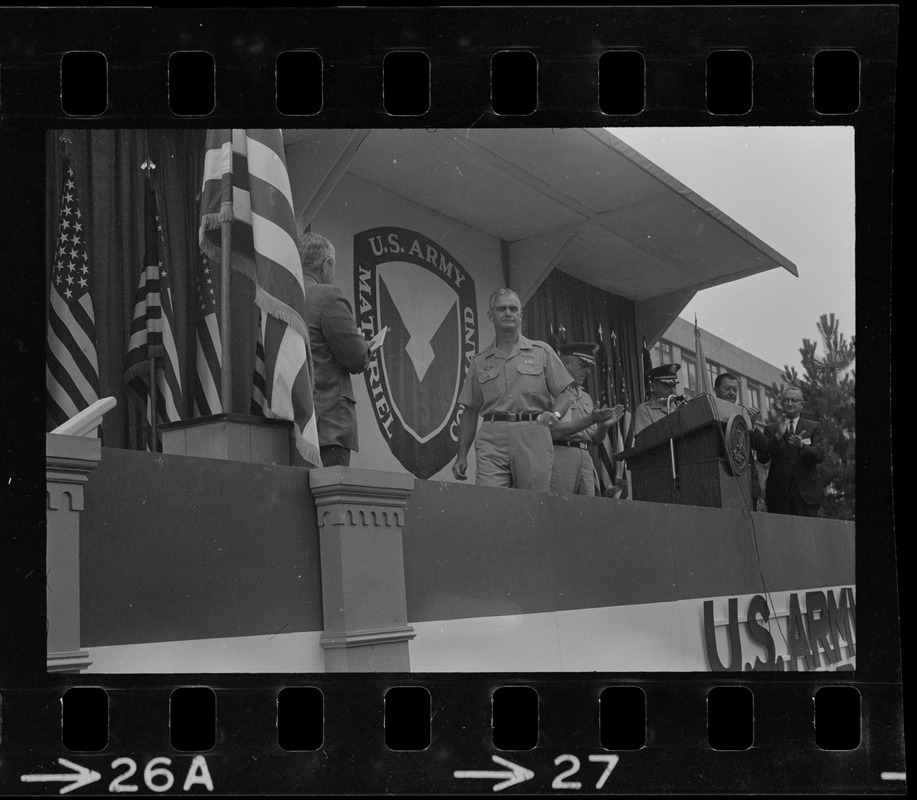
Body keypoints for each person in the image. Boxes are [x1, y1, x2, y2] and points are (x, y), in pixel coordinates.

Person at [452, 288, 576, 491]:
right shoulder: (480, 361)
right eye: (501, 309)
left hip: (532, 433)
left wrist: (555, 413)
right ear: (490, 316)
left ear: (520, 314)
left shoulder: (542, 352)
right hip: (492, 437)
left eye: (513, 308)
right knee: (491, 502)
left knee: (533, 505)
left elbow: (565, 393)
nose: (508, 313)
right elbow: (470, 410)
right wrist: (462, 455)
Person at [299, 232, 370, 467]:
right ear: (327, 264)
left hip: (295, 423)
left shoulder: (283, 298)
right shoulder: (328, 296)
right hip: (328, 424)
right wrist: (365, 346)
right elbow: (356, 357)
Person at [550, 345, 625, 495]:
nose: (588, 371)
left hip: (585, 457)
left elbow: (594, 440)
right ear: (565, 363)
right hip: (560, 455)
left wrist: (602, 427)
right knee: (559, 510)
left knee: (587, 510)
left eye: (590, 367)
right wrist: (591, 419)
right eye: (583, 365)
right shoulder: (552, 391)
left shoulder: (585, 396)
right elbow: (553, 432)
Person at [755, 385, 826, 516]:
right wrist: (778, 436)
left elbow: (820, 454)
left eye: (794, 400)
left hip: (807, 495)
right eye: (786, 400)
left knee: (806, 533)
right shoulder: (771, 428)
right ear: (781, 403)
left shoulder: (813, 427)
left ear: (802, 404)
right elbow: (763, 457)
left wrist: (802, 446)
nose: (790, 403)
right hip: (779, 495)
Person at [713, 371, 763, 510]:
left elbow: (763, 448)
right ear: (716, 390)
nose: (732, 393)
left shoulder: (743, 413)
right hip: (722, 480)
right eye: (727, 389)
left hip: (746, 482)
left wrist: (751, 424)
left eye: (735, 390)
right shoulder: (709, 412)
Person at [630, 363, 681, 438]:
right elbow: (645, 442)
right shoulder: (644, 411)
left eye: (674, 385)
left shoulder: (679, 409)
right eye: (667, 386)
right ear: (653, 387)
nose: (672, 390)